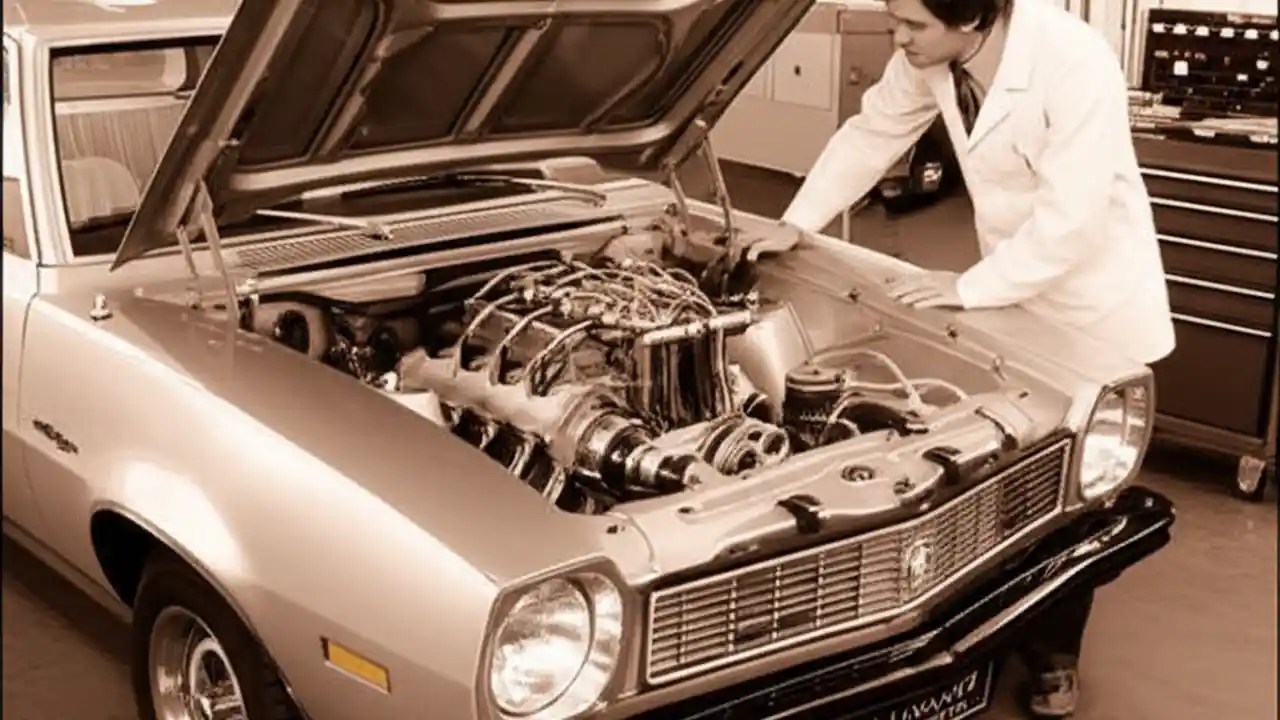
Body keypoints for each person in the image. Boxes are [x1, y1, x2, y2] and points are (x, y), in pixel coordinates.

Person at [737, 0, 1177, 716]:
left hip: (1093, 303)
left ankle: (1054, 659)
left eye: (911, 24)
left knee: (1075, 495)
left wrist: (969, 286)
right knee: (1007, 479)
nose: (896, 35)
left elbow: (1073, 221)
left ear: (971, 18)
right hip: (1010, 291)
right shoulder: (936, 57)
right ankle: (992, 624)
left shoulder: (1072, 61)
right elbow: (873, 129)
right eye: (894, 17)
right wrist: (795, 222)